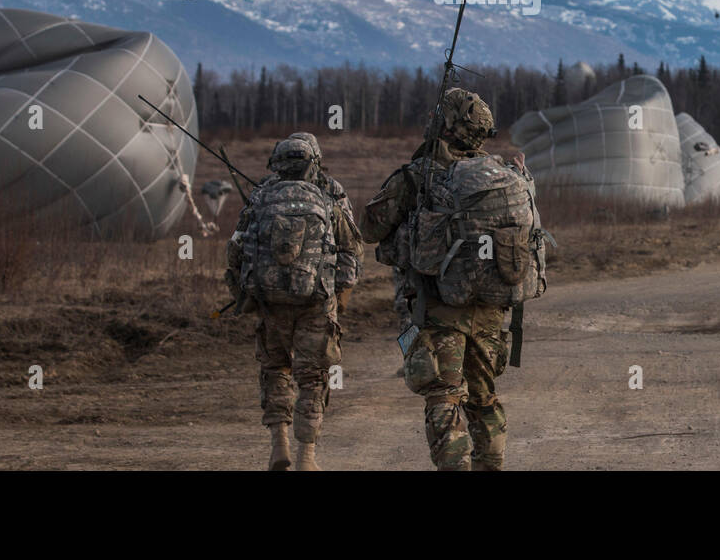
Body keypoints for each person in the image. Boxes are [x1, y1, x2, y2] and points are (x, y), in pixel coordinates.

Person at [361, 88, 538, 471]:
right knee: (484, 398)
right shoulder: (502, 177)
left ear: (446, 125)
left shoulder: (419, 177)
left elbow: (370, 229)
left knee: (444, 398)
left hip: (438, 308)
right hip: (491, 309)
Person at [225, 134, 362, 471]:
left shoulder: (262, 194)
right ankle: (306, 457)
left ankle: (278, 444)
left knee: (275, 369)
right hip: (316, 301)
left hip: (270, 301)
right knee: (314, 377)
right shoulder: (329, 193)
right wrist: (339, 293)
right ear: (314, 160)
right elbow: (351, 248)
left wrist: (246, 292)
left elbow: (236, 250)